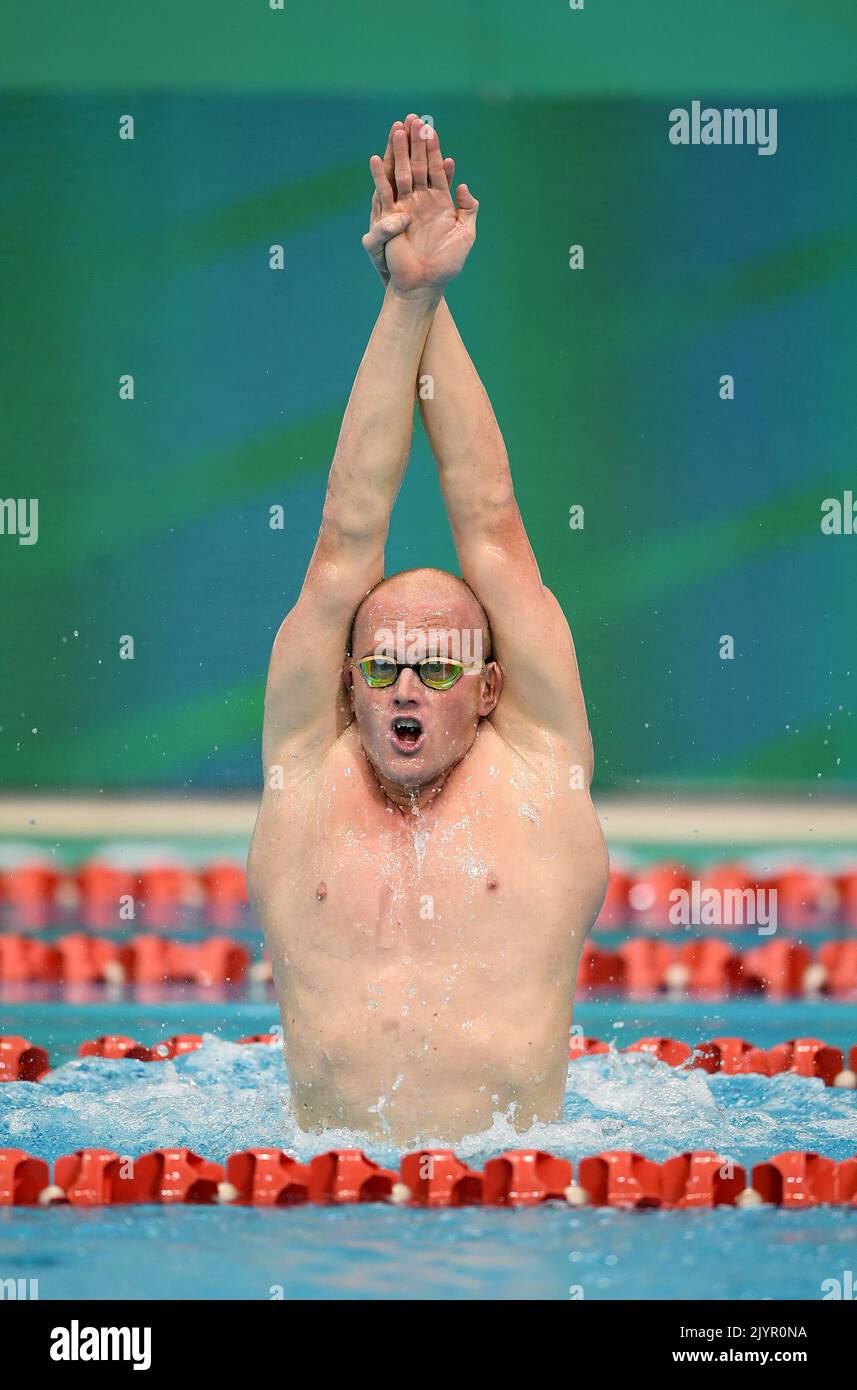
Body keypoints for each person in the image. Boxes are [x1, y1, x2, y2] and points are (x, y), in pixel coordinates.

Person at [247, 115, 608, 1145]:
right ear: (347, 683)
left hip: (517, 1205)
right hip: (320, 1215)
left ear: (490, 690)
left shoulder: (540, 772)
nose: (404, 685)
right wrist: (408, 295)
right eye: (383, 662)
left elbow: (489, 521)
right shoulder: (298, 773)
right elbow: (341, 540)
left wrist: (423, 296)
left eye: (438, 663)